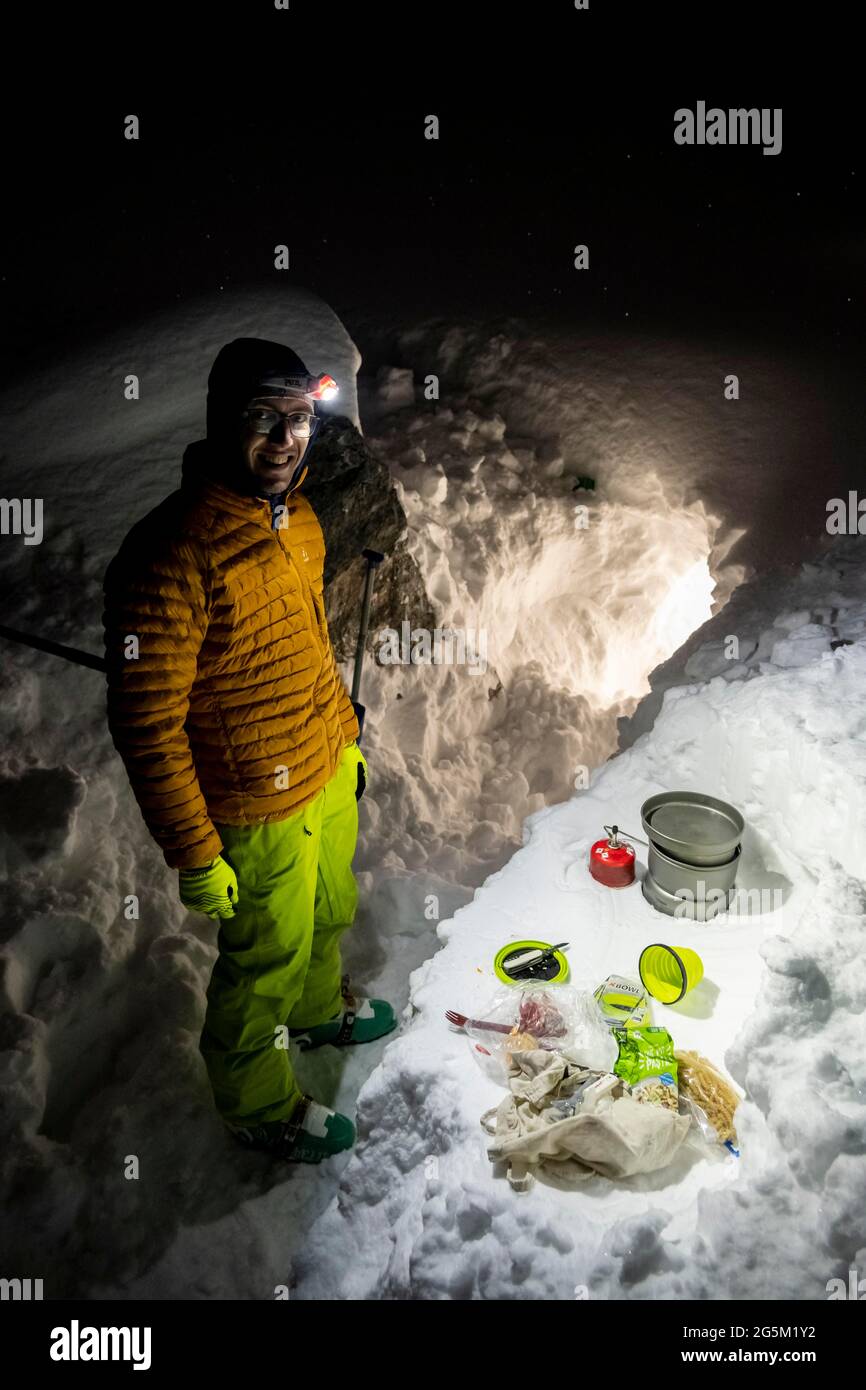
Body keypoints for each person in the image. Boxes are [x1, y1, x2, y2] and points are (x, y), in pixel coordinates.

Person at [102, 337, 396, 1164]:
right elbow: (147, 723)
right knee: (263, 962)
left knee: (328, 913)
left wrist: (344, 740)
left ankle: (313, 1012)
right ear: (222, 422)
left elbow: (308, 646)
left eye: (298, 419)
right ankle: (257, 1103)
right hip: (255, 805)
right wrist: (195, 851)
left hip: (323, 770)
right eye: (263, 418)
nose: (284, 438)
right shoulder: (170, 553)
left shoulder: (298, 520)